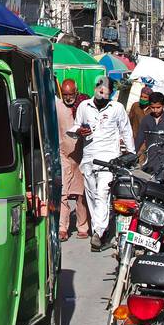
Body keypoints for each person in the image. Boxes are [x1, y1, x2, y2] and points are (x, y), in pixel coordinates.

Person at [71, 77, 134, 252]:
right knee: (91, 195)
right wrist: (79, 131)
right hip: (89, 158)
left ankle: (98, 232)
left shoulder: (117, 108)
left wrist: (131, 153)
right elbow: (75, 127)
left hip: (109, 159)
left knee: (102, 194)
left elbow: (126, 130)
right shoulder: (84, 107)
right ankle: (99, 229)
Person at [55, 79, 89, 241]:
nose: (68, 98)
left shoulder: (84, 106)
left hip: (82, 157)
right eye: (65, 94)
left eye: (71, 94)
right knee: (62, 193)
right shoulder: (57, 106)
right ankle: (62, 228)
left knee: (81, 195)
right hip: (63, 156)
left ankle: (83, 226)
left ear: (76, 92)